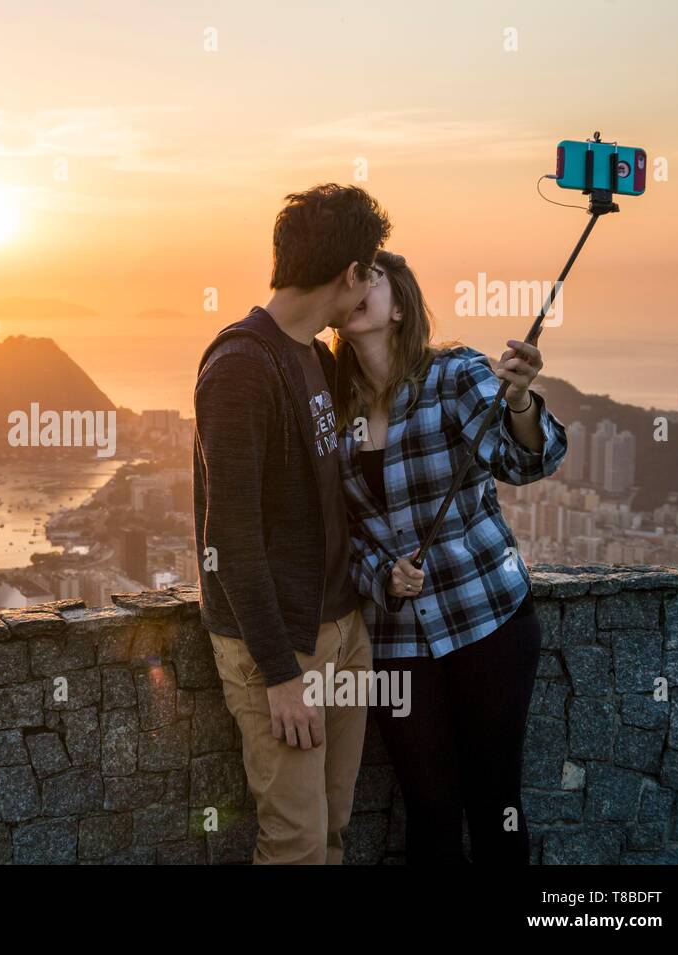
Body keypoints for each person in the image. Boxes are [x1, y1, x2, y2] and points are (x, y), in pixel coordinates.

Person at [330, 250, 567, 863]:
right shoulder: (331, 412)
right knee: (430, 809)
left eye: (372, 279)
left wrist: (518, 401)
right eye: (350, 280)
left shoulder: (454, 376)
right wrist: (381, 576)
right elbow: (336, 530)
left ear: (401, 305)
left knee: (497, 804)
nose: (358, 288)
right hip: (396, 640)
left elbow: (526, 463)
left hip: (487, 618)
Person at [192, 183, 392, 864]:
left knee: (332, 824)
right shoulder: (242, 367)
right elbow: (232, 537)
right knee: (296, 841)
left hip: (343, 629)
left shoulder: (317, 356)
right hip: (282, 648)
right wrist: (279, 674)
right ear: (350, 274)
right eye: (371, 268)